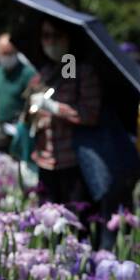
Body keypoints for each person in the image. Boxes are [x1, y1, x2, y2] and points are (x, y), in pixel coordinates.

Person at [29, 18, 100, 210]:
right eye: (45, 36)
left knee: (74, 220)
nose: (50, 41)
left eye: (56, 35)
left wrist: (54, 108)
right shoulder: (42, 73)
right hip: (45, 161)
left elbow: (89, 114)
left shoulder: (73, 67)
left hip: (73, 162)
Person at [0, 33, 36, 152]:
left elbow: (33, 101)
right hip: (1, 126)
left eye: (10, 53)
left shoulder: (27, 73)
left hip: (21, 126)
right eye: (4, 53)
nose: (7, 57)